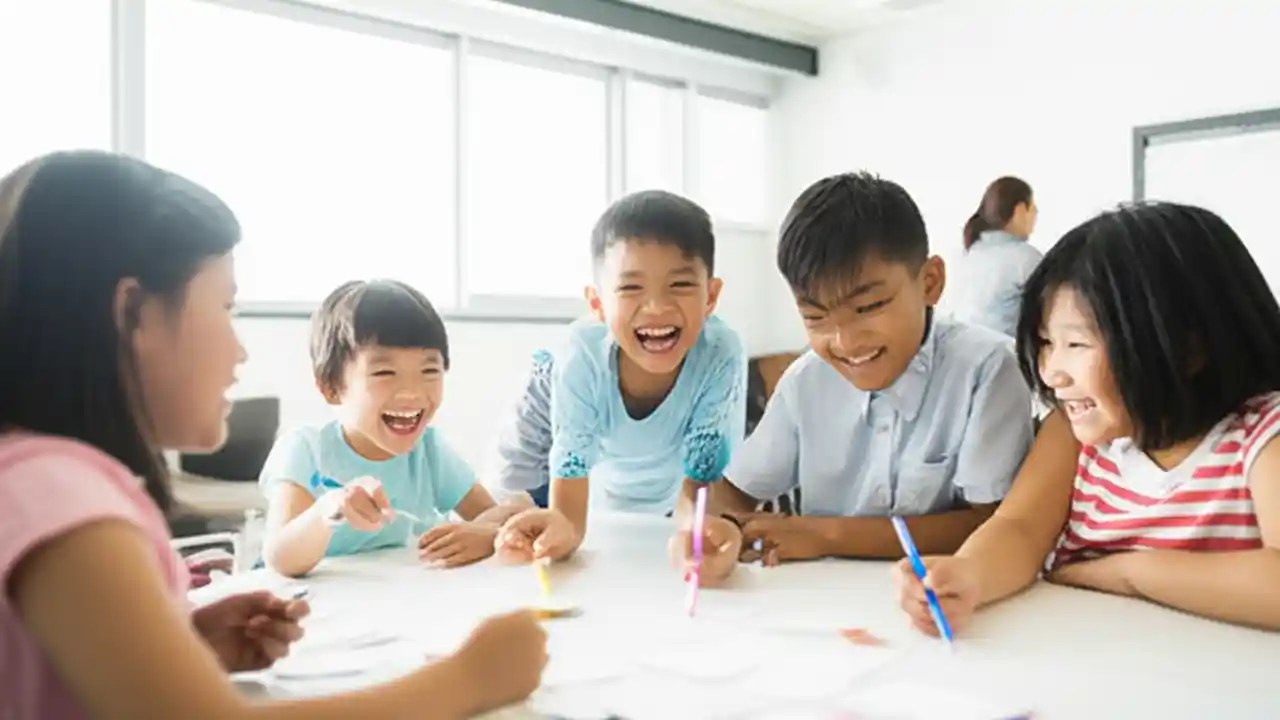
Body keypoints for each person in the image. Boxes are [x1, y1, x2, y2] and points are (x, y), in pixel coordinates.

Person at [0, 151, 545, 719]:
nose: (240, 352)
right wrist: (466, 681)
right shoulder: (60, 499)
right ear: (133, 314)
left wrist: (187, 646)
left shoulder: (47, 483)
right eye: (225, 307)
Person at [895, 203, 1280, 632]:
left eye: (1076, 345)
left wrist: (1129, 574)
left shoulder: (1263, 434)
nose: (1052, 371)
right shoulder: (1074, 435)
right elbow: (1019, 528)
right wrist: (968, 576)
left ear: (1187, 349)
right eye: (1045, 342)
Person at [669, 172, 1034, 584]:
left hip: (940, 596)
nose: (845, 341)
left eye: (868, 307)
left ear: (930, 282)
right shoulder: (807, 380)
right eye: (815, 317)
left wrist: (827, 535)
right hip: (827, 605)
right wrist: (719, 528)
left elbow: (990, 524)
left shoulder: (988, 369)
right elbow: (733, 490)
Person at [492, 190, 747, 563]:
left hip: (650, 490)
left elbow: (700, 481)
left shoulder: (721, 353)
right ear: (597, 303)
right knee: (504, 526)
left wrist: (698, 535)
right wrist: (562, 530)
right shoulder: (580, 352)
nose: (657, 307)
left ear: (711, 296)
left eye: (680, 285)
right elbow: (569, 490)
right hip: (541, 441)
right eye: (630, 287)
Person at [260, 280, 525, 577]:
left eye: (429, 371)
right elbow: (280, 558)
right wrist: (329, 510)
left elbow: (494, 517)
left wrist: (491, 528)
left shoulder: (429, 450)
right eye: (384, 372)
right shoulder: (307, 450)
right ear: (332, 387)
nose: (411, 393)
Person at [952, 176, 1043, 337]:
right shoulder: (1025, 259)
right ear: (1020, 209)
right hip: (1005, 357)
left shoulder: (969, 255)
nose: (1036, 215)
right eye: (1033, 208)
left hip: (959, 355)